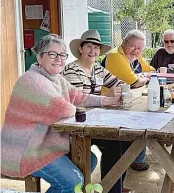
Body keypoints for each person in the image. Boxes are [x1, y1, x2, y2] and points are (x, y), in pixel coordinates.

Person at [1, 34, 122, 193]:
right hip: (24, 150)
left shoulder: (55, 78)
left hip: (45, 144)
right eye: (52, 54)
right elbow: (63, 109)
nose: (58, 59)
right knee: (73, 181)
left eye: (62, 55)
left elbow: (78, 96)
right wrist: (96, 111)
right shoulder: (31, 81)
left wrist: (104, 101)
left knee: (88, 160)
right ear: (39, 57)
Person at [62, 30, 131, 193]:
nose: (93, 51)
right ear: (80, 48)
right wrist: (106, 98)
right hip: (75, 126)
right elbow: (79, 100)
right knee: (115, 143)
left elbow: (119, 83)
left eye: (97, 47)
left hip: (94, 120)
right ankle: (112, 187)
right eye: (89, 46)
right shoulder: (72, 70)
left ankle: (114, 185)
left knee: (126, 139)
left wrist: (121, 91)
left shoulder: (98, 70)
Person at [102, 29, 152, 171]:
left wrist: (143, 75)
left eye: (139, 48)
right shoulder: (115, 56)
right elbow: (135, 82)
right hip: (108, 105)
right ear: (123, 42)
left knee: (147, 115)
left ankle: (136, 158)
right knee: (142, 120)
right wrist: (144, 77)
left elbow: (151, 70)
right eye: (132, 46)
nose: (136, 51)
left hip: (127, 100)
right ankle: (134, 159)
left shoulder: (135, 55)